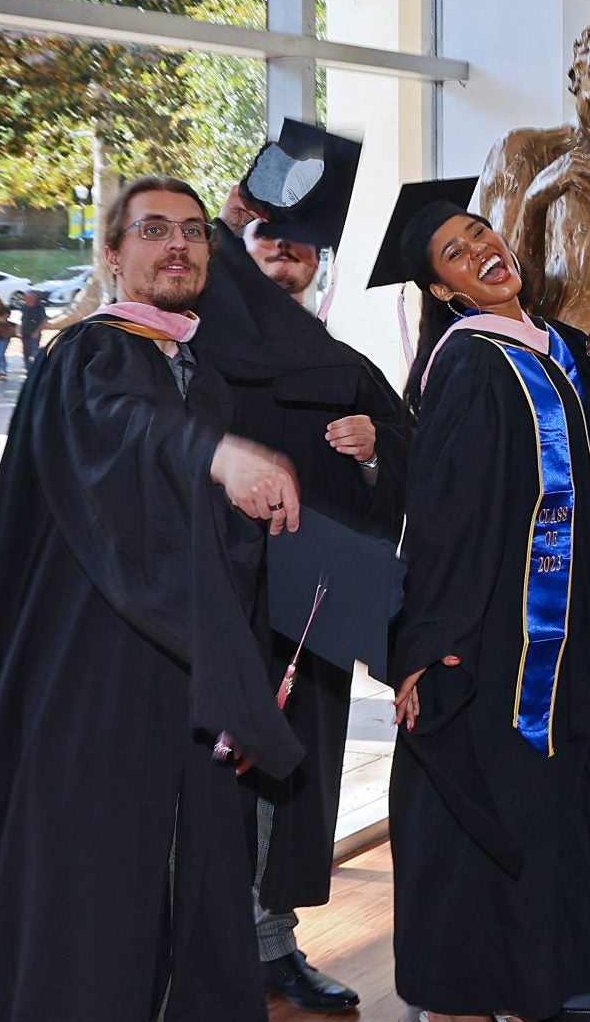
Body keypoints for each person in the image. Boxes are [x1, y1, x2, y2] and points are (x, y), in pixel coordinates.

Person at [0, 176, 307, 1020]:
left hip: (170, 671)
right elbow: (126, 426)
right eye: (154, 229)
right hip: (87, 674)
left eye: (195, 232)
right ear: (112, 253)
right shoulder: (92, 355)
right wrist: (219, 457)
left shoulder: (192, 368)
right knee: (89, 891)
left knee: (174, 878)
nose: (178, 245)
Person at [383, 182, 590, 1022]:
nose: (481, 247)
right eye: (455, 252)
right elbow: (442, 512)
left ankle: (530, 984)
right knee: (490, 806)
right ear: (446, 291)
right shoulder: (472, 363)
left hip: (572, 632)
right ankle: (464, 998)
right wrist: (430, 641)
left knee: (555, 796)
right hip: (493, 642)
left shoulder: (556, 345)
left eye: (481, 231)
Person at [204, 201, 408, 1014]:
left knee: (287, 779)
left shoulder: (347, 365)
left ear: (318, 262)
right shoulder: (199, 355)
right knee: (206, 776)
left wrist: (374, 451)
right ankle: (192, 946)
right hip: (217, 606)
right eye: (267, 237)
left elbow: (406, 458)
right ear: (238, 249)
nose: (286, 251)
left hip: (308, 614)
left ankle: (269, 941)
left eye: (302, 244)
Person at [15, 287, 49, 369]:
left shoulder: (39, 307)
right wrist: (18, 330)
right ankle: (29, 369)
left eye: (27, 297)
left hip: (34, 334)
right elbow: (21, 320)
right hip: (25, 333)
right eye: (25, 297)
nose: (25, 299)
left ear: (33, 298)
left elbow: (44, 320)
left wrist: (37, 332)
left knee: (35, 352)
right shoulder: (24, 307)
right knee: (26, 352)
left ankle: (37, 368)